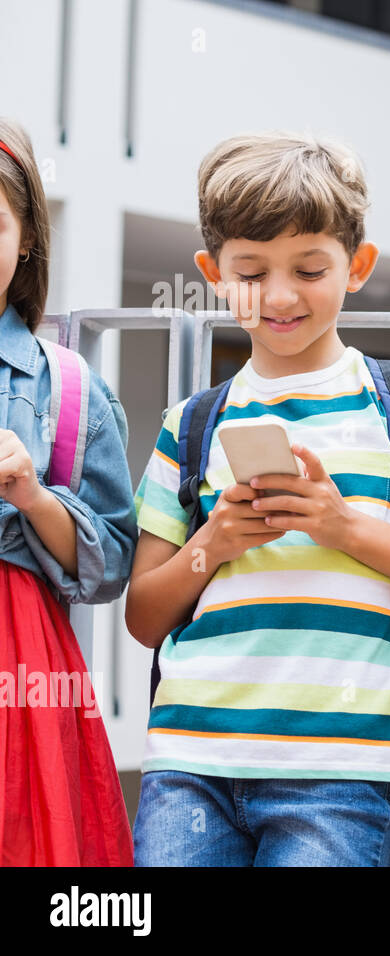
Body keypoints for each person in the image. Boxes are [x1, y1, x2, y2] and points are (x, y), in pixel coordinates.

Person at [126, 132, 390, 866]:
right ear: (212, 273)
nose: (281, 295)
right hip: (192, 761)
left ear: (359, 266)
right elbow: (144, 615)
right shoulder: (189, 426)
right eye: (252, 271)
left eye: (310, 268)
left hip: (348, 770)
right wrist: (210, 547)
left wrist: (342, 526)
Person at [0, 118, 136, 865]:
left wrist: (31, 493)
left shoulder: (70, 386)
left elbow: (112, 565)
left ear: (24, 239)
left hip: (21, 671)